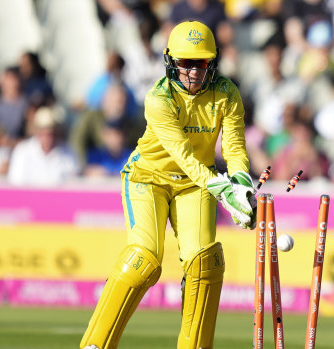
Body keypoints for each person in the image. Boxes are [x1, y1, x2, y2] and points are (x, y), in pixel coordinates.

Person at [80, 21, 256, 349]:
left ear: (212, 63)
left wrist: (242, 184)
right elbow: (184, 155)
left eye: (200, 63)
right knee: (144, 258)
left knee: (205, 260)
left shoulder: (227, 93)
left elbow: (233, 147)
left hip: (195, 184)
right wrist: (224, 191)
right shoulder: (158, 98)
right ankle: (96, 344)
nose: (192, 71)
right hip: (149, 178)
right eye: (185, 63)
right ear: (171, 62)